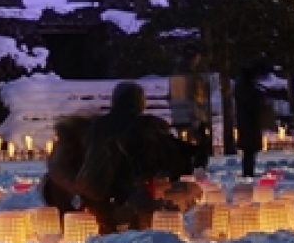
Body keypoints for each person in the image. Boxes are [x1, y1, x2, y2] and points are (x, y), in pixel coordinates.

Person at [68, 81, 197, 234]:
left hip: (90, 193)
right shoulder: (144, 126)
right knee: (181, 193)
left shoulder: (96, 126)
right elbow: (164, 162)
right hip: (123, 196)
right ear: (139, 102)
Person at [41, 114, 94, 222]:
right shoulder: (66, 148)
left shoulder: (80, 145)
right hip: (65, 188)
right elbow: (59, 171)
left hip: (76, 186)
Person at [234, 61, 269, 178]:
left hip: (247, 123)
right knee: (249, 150)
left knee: (249, 151)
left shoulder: (242, 87)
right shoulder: (248, 89)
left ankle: (248, 171)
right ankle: (248, 172)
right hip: (249, 123)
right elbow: (252, 104)